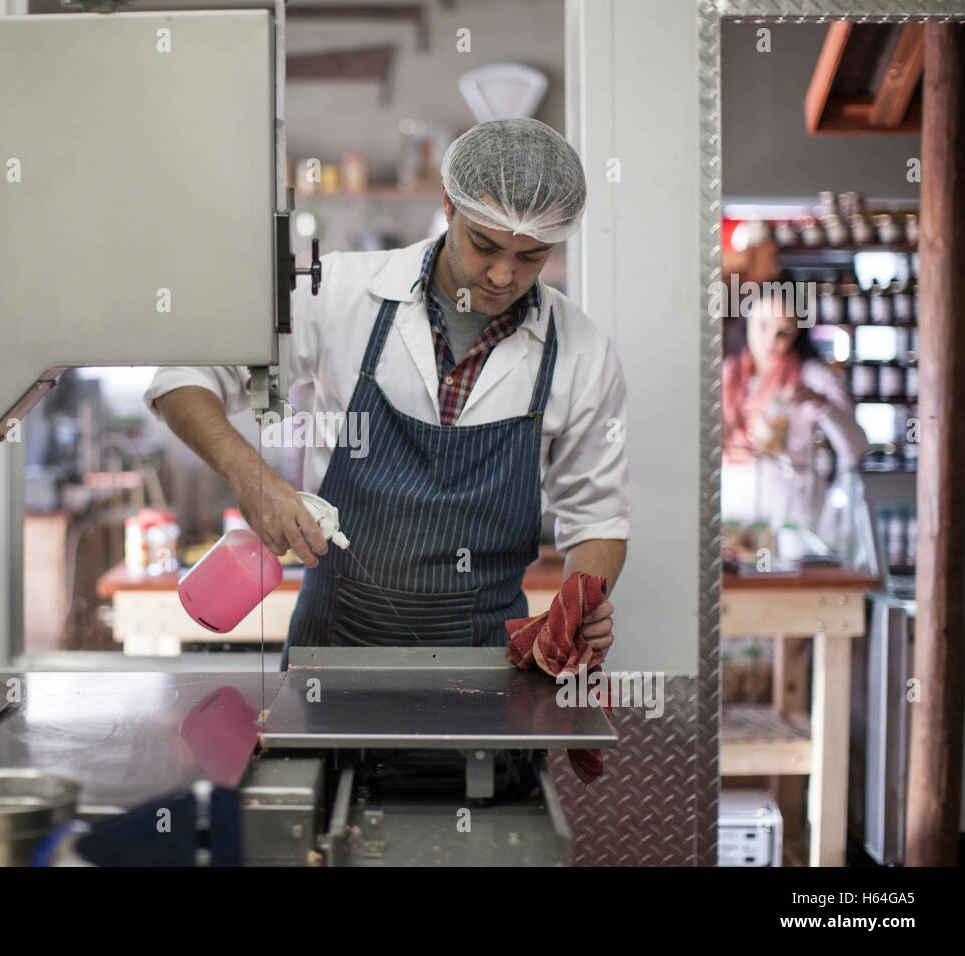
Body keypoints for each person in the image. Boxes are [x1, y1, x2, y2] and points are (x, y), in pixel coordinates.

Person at [145, 118, 631, 666]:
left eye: (530, 257)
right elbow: (183, 377)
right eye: (484, 245)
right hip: (329, 657)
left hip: (487, 666)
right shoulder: (339, 292)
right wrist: (251, 478)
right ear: (448, 204)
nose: (501, 275)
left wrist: (577, 607)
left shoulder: (582, 352)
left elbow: (598, 521)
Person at [722, 293, 869, 529]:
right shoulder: (724, 376)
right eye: (763, 325)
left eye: (784, 331)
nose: (771, 339)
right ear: (747, 321)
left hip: (791, 518)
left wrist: (822, 405)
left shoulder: (812, 378)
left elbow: (856, 446)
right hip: (730, 513)